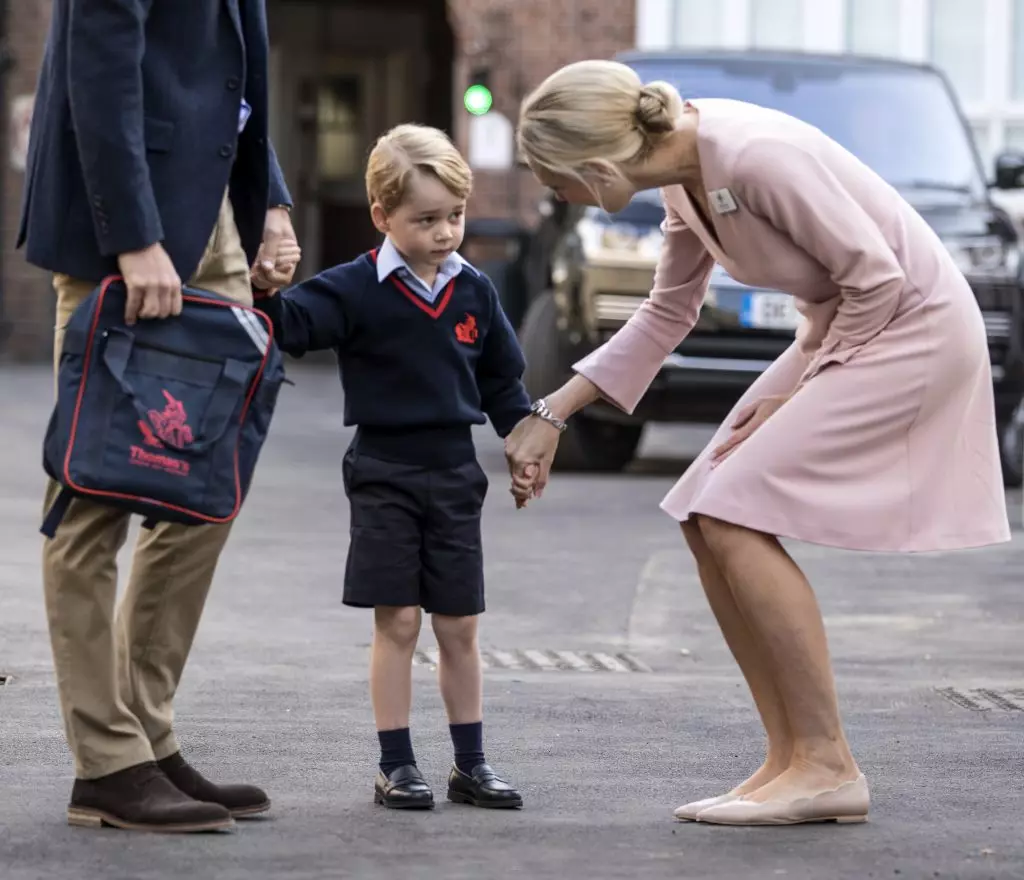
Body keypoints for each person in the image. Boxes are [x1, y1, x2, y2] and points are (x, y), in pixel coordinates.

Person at [507, 59, 1010, 826]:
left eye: (557, 180)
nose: (557, 196)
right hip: (847, 328)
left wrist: (795, 397)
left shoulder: (752, 154)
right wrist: (555, 412)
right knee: (704, 512)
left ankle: (827, 763)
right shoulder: (683, 172)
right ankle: (790, 759)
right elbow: (667, 311)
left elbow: (876, 282)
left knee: (735, 510)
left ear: (601, 169)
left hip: (911, 329)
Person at [19, 0, 298, 832]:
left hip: (211, 209)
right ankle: (106, 763)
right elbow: (99, 71)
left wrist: (270, 201)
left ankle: (146, 732)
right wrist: (134, 237)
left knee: (205, 480)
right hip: (126, 226)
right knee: (95, 487)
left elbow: (227, 77)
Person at [251, 124, 527, 811]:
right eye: (426, 220)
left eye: (455, 217)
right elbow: (286, 326)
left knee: (459, 626)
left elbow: (503, 383)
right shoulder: (352, 290)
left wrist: (523, 443)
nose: (445, 233)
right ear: (382, 216)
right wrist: (265, 285)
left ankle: (472, 763)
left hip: (456, 474)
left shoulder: (475, 293)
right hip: (382, 471)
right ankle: (397, 765)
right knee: (398, 620)